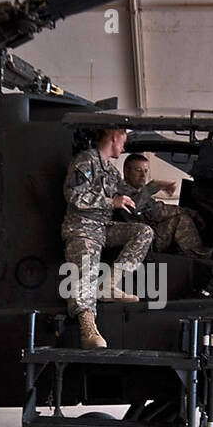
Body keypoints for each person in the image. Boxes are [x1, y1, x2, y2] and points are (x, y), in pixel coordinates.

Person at [60, 128, 153, 349]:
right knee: (85, 269)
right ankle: (88, 328)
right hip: (82, 227)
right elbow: (73, 195)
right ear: (113, 136)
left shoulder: (111, 171)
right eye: (123, 140)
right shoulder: (86, 160)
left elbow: (132, 197)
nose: (124, 146)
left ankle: (110, 285)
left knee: (143, 232)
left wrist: (157, 186)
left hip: (103, 228)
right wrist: (111, 202)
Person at [119, 153, 211, 258]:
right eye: (138, 170)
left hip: (148, 233)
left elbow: (156, 210)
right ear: (126, 172)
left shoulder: (138, 192)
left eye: (145, 171)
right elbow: (155, 212)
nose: (143, 175)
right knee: (181, 220)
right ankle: (198, 257)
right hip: (141, 239)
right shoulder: (123, 190)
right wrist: (191, 213)